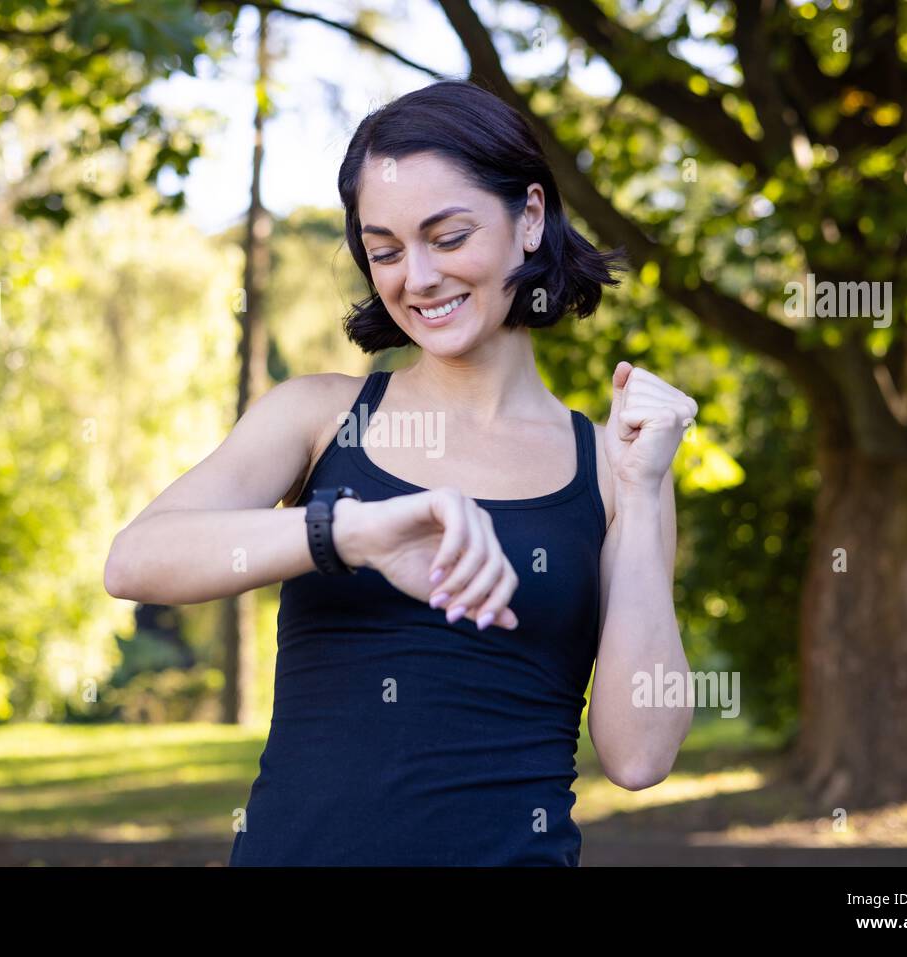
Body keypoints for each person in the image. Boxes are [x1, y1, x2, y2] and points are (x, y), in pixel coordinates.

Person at [104, 79, 697, 866]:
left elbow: (640, 755)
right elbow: (135, 561)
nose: (415, 277)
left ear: (528, 218)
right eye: (384, 250)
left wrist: (647, 487)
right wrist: (349, 532)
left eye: (447, 238)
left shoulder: (613, 470)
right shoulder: (318, 417)